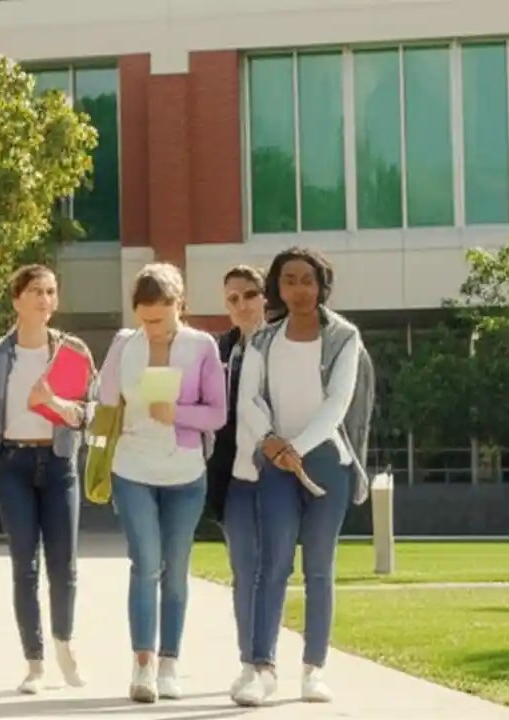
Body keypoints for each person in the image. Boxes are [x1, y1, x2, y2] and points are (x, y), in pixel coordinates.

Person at [232, 246, 371, 705]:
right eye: (289, 280)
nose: (299, 288)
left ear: (321, 284)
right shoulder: (262, 340)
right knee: (272, 564)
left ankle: (314, 669)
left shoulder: (344, 337)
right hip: (274, 462)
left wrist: (299, 448)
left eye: (307, 280)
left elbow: (337, 403)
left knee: (318, 567)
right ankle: (261, 669)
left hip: (326, 461)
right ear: (278, 286)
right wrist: (272, 442)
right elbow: (248, 400)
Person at [96, 263, 227, 704]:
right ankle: (143, 665)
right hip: (132, 468)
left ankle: (171, 662)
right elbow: (105, 404)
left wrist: (179, 415)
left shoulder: (201, 346)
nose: (152, 328)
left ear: (180, 305)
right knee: (145, 563)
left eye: (161, 319)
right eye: (145, 319)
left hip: (185, 473)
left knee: (175, 569)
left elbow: (218, 414)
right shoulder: (122, 345)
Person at [0, 265, 95, 694]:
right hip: (12, 465)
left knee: (65, 565)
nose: (45, 299)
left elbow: (87, 414)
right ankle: (35, 661)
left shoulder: (73, 351)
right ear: (17, 299)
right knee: (25, 565)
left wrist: (54, 402)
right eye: (36, 291)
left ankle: (65, 643)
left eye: (51, 291)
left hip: (59, 464)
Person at [203, 265, 276, 705]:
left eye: (250, 294)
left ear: (264, 297)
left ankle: (268, 663)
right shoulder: (218, 352)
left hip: (276, 474)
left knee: (272, 570)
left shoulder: (283, 346)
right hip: (232, 477)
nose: (242, 304)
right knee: (244, 570)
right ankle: (251, 664)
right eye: (233, 298)